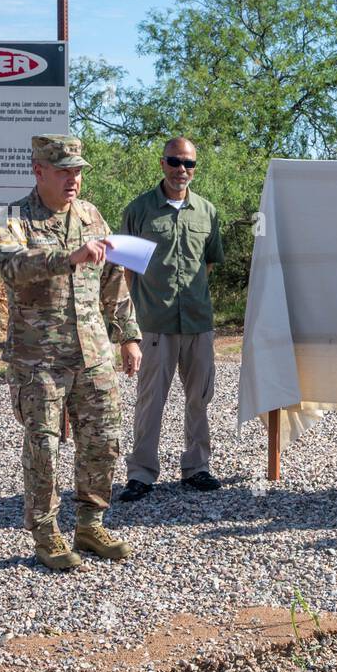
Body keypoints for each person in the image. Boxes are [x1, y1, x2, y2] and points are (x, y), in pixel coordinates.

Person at [0, 134, 143, 571]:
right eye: (64, 171)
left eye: (77, 171)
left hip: (93, 354)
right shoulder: (13, 219)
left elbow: (114, 277)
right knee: (44, 448)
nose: (73, 179)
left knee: (103, 442)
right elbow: (12, 266)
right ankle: (46, 533)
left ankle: (91, 524)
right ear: (39, 171)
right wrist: (66, 257)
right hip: (39, 361)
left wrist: (128, 336)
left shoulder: (92, 215)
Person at [117, 137, 225, 501]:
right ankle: (141, 473)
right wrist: (132, 323)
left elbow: (206, 265)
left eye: (189, 163)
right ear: (162, 164)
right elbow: (127, 271)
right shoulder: (140, 210)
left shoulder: (207, 212)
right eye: (175, 162)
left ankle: (197, 468)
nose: (182, 170)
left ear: (196, 167)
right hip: (154, 323)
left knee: (199, 398)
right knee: (151, 400)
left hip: (197, 322)